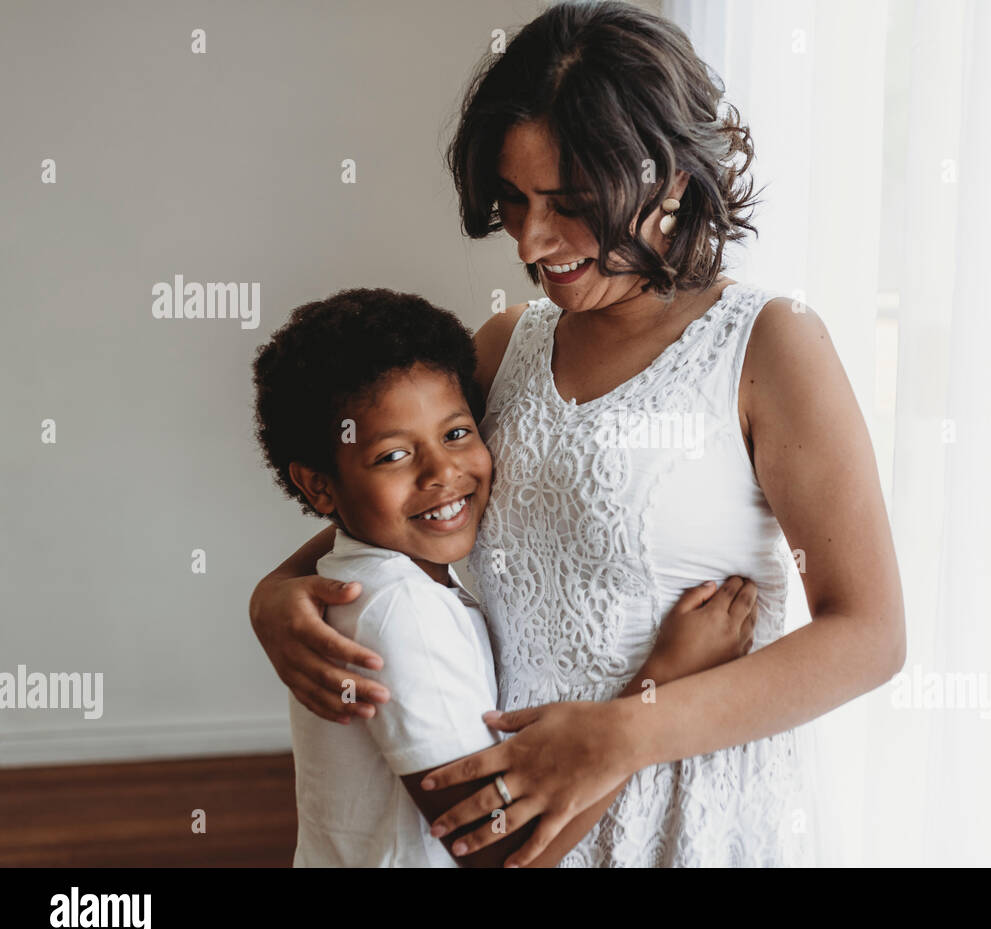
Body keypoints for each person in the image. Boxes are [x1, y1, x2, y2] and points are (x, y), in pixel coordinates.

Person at [249, 0, 905, 867]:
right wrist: (271, 594)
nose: (531, 238)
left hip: (694, 813)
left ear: (671, 177)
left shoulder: (768, 345)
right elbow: (397, 516)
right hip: (525, 824)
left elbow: (869, 634)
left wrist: (630, 729)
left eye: (570, 203)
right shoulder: (502, 346)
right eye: (514, 201)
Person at [251, 286, 757, 867]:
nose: (442, 472)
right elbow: (502, 857)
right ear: (318, 485)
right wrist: (660, 684)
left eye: (457, 433)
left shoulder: (383, 585)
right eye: (393, 456)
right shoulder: (399, 613)